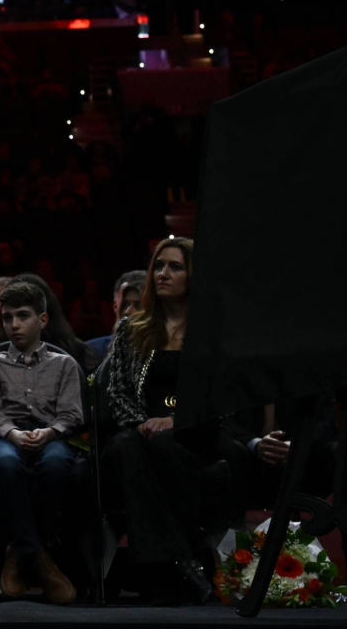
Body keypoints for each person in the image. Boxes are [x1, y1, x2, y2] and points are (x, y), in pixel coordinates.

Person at [98, 237, 225, 606]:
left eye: (175, 266)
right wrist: (141, 422)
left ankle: (162, 567)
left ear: (193, 276)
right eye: (159, 266)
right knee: (127, 444)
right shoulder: (131, 328)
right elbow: (118, 392)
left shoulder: (211, 332)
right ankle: (186, 558)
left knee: (164, 444)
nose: (163, 274)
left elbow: (219, 396)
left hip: (193, 432)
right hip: (137, 434)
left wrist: (176, 419)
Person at [0, 280, 84, 604]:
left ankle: (18, 550)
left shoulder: (63, 363)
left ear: (43, 320)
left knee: (55, 462)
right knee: (6, 462)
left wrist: (50, 432)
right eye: (7, 317)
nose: (13, 324)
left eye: (22, 316)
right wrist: (13, 433)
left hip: (50, 431)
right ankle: (38, 555)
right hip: (7, 433)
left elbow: (72, 414)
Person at [224, 401, 347, 601]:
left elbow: (327, 421)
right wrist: (256, 443)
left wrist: (299, 445)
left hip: (303, 461)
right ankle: (224, 572)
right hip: (248, 462)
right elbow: (221, 420)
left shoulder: (311, 371)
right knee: (227, 451)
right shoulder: (233, 372)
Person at [84, 271, 145, 367]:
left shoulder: (166, 352)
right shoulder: (91, 351)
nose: (128, 311)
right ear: (115, 305)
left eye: (138, 305)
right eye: (125, 304)